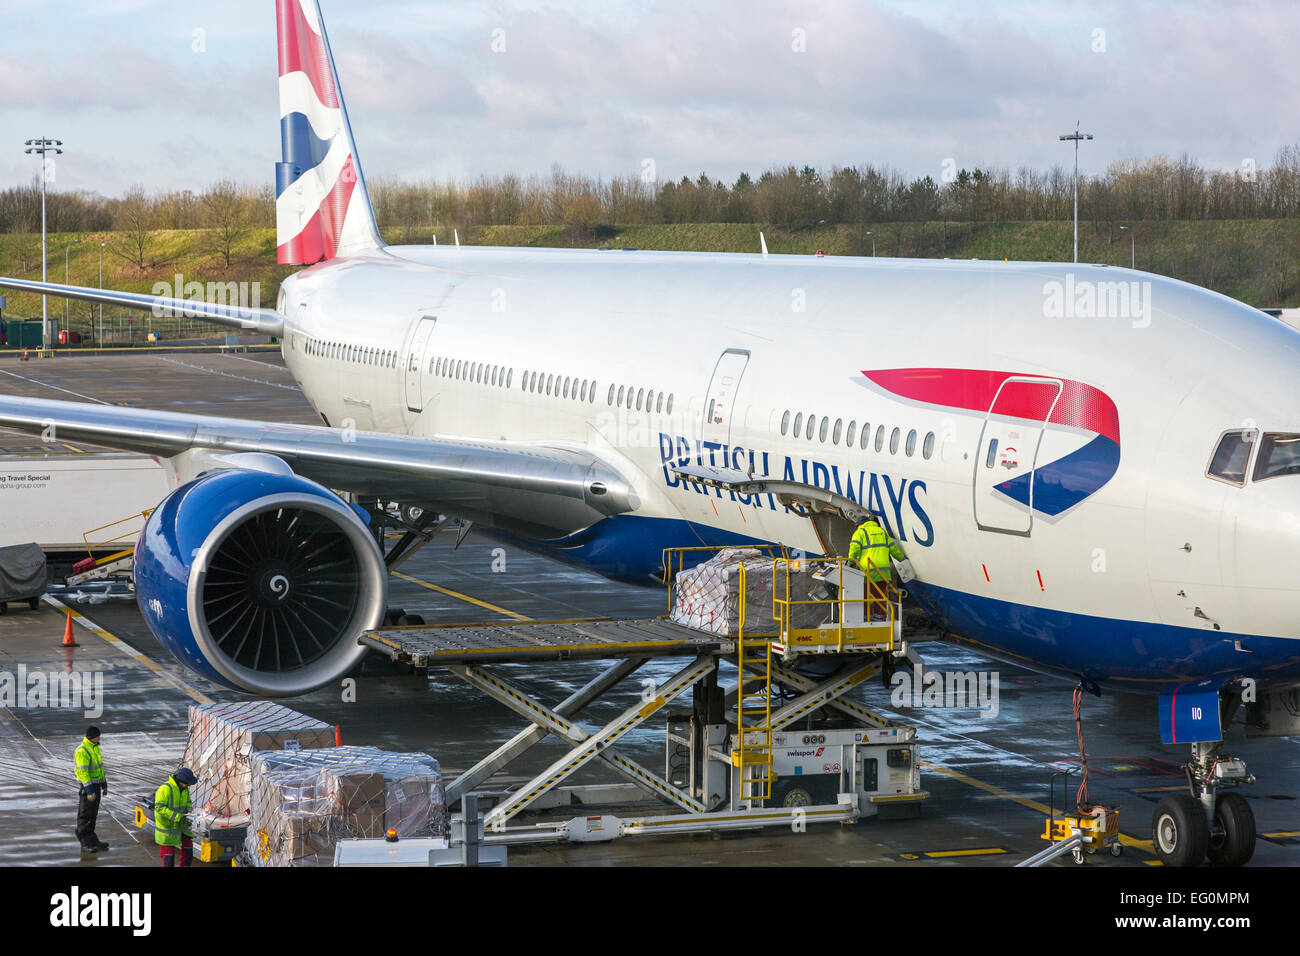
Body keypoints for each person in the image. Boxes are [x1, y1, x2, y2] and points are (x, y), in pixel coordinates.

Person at [847, 515, 906, 619]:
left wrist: (850, 563)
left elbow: (854, 549)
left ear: (860, 524)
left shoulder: (860, 532)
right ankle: (880, 616)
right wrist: (903, 559)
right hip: (883, 571)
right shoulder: (882, 531)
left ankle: (866, 616)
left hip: (867, 571)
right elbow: (893, 549)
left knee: (866, 595)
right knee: (880, 595)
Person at [74, 726, 109, 853]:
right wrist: (89, 790)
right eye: (98, 736)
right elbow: (83, 773)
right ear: (92, 737)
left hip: (96, 786)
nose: (99, 738)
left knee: (93, 815)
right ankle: (85, 842)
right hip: (88, 788)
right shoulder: (82, 750)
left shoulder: (94, 748)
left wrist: (104, 785)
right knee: (85, 815)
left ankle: (92, 839)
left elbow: (99, 769)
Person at [154, 767, 198, 867]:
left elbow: (188, 802)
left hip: (181, 826)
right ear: (181, 781)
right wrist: (177, 816)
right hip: (167, 829)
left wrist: (189, 809)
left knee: (188, 852)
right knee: (169, 859)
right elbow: (159, 808)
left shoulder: (185, 789)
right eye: (188, 783)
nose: (189, 785)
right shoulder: (165, 789)